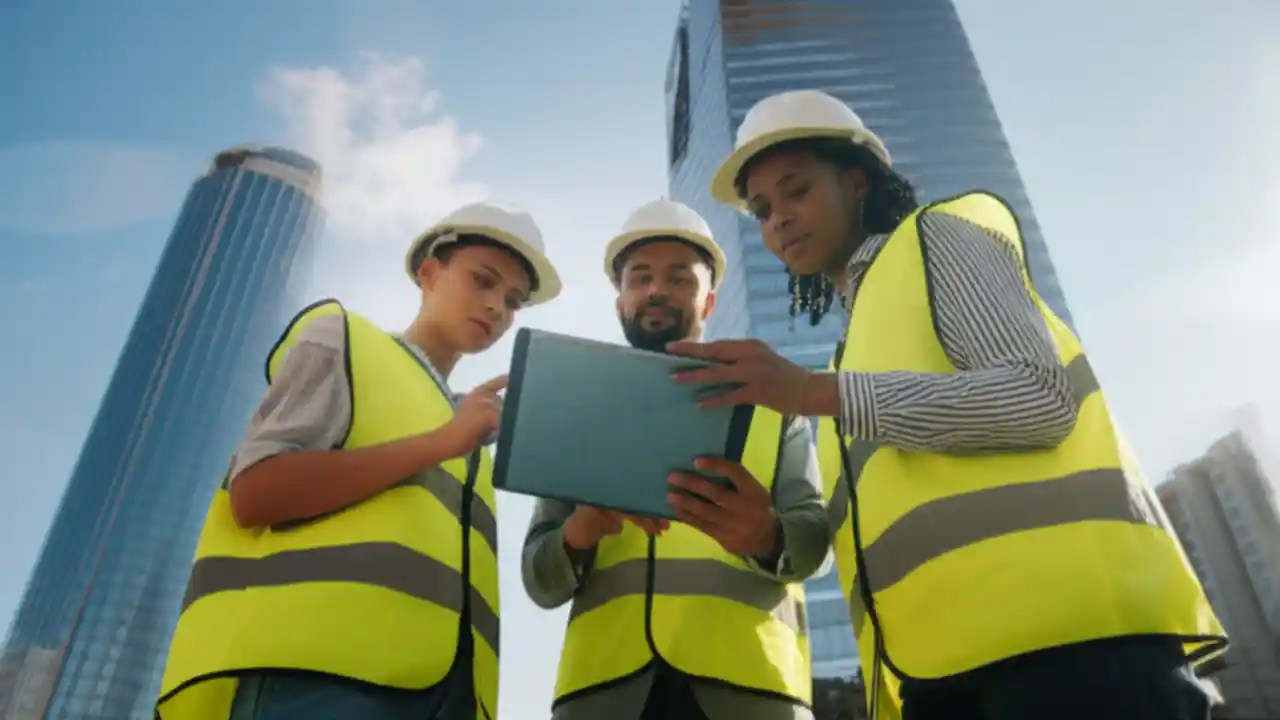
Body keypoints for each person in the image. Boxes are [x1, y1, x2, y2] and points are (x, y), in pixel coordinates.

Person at [670, 89, 1228, 720]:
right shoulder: (842, 366)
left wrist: (812, 394)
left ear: (857, 182)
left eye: (796, 191)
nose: (779, 221)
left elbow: (1040, 399)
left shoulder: (936, 238)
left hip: (1076, 649)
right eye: (763, 210)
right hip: (939, 681)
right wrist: (767, 532)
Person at [155, 201, 562, 720]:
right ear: (429, 272)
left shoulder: (471, 433)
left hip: (447, 696)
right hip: (314, 678)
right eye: (482, 281)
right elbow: (257, 492)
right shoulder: (344, 341)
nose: (497, 309)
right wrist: (441, 442)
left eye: (513, 301)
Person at [522, 199, 829, 720]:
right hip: (603, 694)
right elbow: (538, 579)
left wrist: (767, 534)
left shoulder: (773, 410)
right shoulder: (576, 418)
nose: (656, 290)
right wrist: (583, 529)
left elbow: (817, 547)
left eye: (680, 279)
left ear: (709, 303)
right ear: (619, 301)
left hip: (752, 688)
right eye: (639, 279)